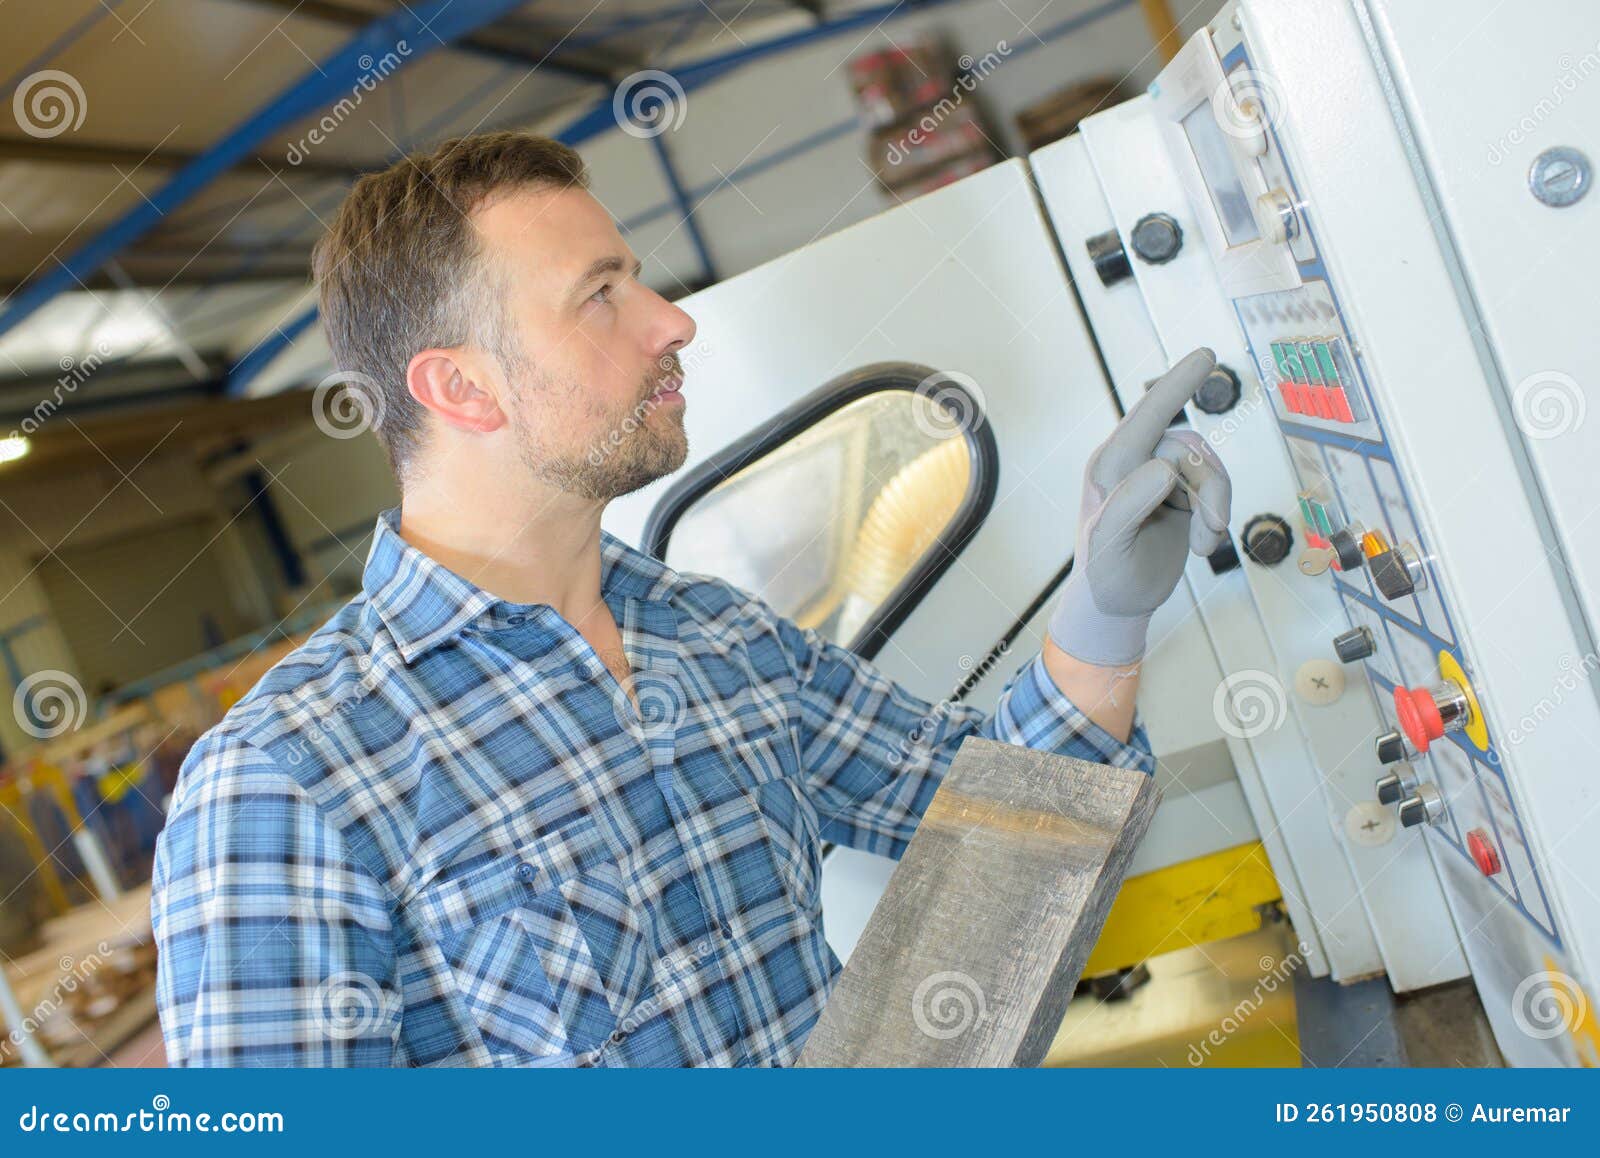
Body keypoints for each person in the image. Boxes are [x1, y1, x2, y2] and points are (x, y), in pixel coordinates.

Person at [151, 132, 1230, 1067]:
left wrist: (1102, 611)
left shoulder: (713, 637)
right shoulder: (288, 781)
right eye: (601, 295)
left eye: (640, 280)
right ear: (460, 388)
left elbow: (1002, 823)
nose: (672, 321)